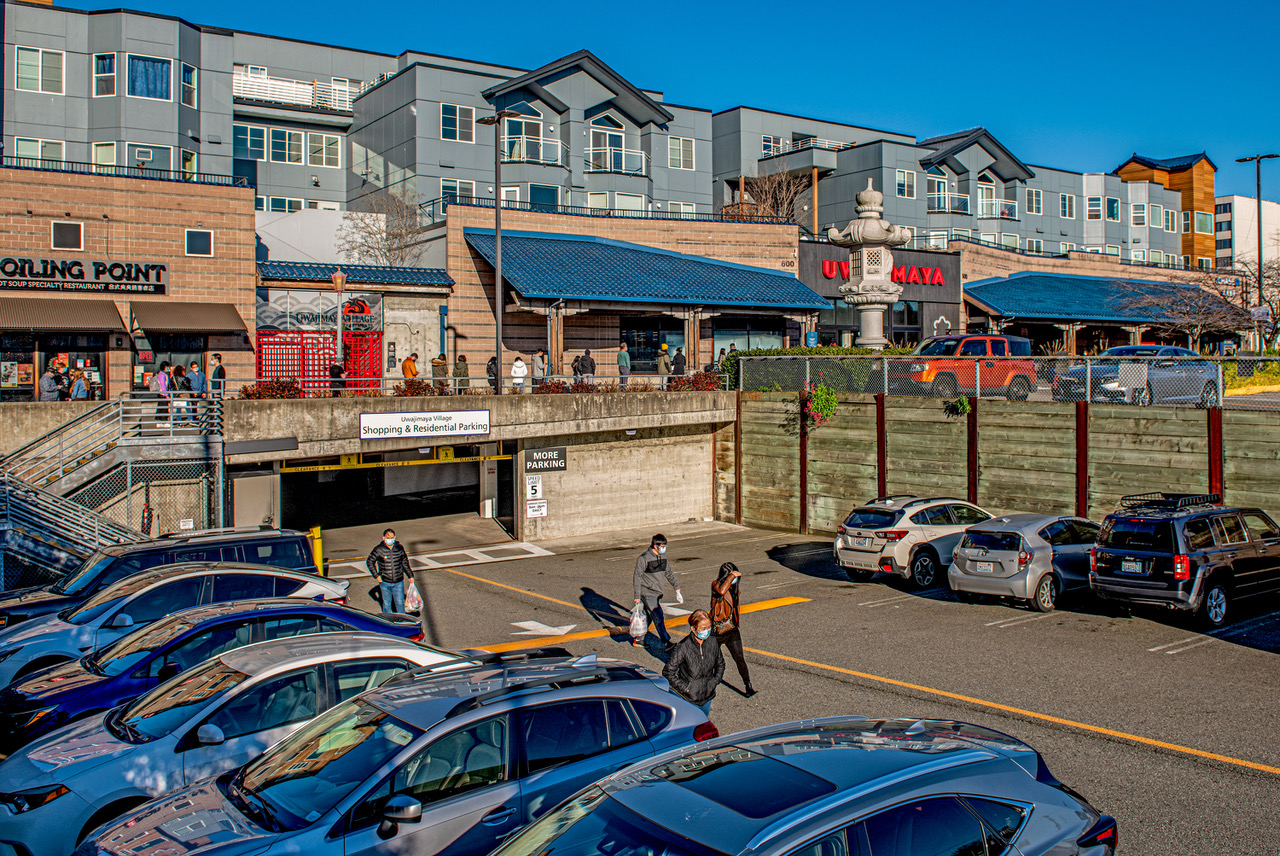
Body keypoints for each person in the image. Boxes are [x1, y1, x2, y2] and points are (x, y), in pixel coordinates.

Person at [663, 610, 724, 715]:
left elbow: (720, 664)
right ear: (693, 629)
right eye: (703, 628)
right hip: (689, 700)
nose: (707, 631)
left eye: (709, 627)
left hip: (707, 697)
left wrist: (714, 681)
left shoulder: (712, 642)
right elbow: (668, 672)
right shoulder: (683, 647)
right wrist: (686, 688)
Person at [711, 562, 754, 696]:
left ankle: (748, 685)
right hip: (717, 630)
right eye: (732, 577)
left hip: (731, 628)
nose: (735, 580)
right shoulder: (716, 585)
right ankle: (709, 686)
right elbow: (721, 591)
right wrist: (731, 576)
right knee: (714, 660)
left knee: (739, 657)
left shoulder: (733, 588)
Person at [633, 533, 682, 648]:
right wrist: (637, 596)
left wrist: (677, 588)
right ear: (655, 546)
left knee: (649, 615)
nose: (664, 548)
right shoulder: (644, 558)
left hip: (657, 593)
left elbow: (669, 573)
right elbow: (637, 576)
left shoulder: (663, 557)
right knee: (658, 615)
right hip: (647, 592)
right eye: (662, 546)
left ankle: (639, 639)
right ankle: (666, 642)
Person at [366, 528, 411, 613]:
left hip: (398, 581)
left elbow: (404, 562)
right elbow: (370, 562)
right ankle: (386, 620)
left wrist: (410, 575)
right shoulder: (379, 549)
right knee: (387, 604)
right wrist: (376, 576)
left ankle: (402, 619)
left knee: (400, 603)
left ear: (395, 537)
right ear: (383, 538)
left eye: (392, 537)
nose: (390, 539)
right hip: (385, 581)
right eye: (388, 537)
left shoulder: (399, 548)